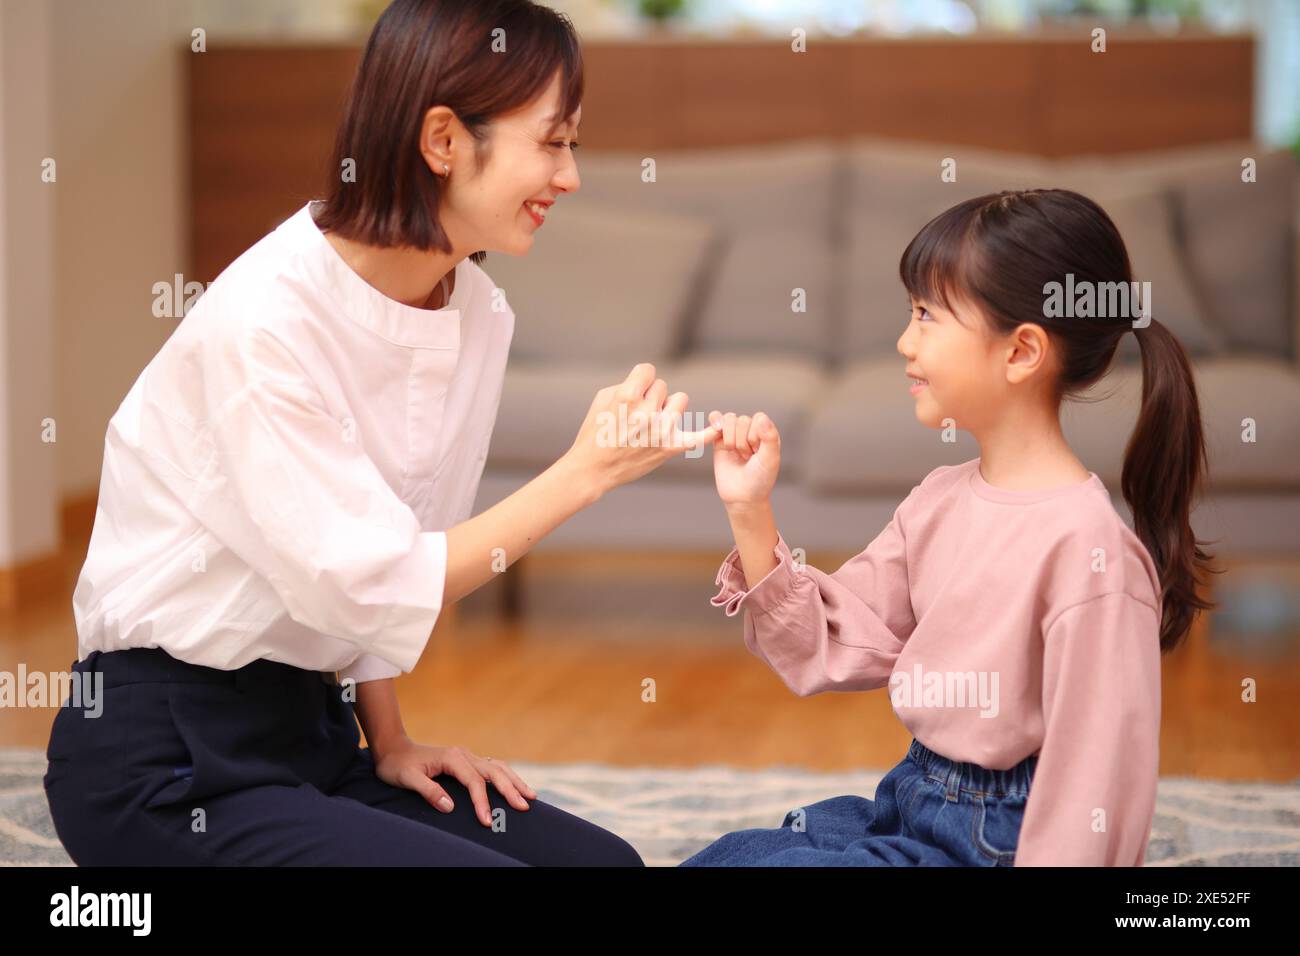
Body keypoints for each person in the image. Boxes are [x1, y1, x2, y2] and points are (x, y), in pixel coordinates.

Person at [44, 0, 717, 866]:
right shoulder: (266, 323)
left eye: (572, 146)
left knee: (603, 866)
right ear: (443, 140)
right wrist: (583, 473)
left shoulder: (475, 311)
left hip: (312, 738)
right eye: (552, 143)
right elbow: (369, 582)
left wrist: (389, 740)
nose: (570, 176)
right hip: (166, 763)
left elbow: (395, 539)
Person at [683, 188, 1220, 867]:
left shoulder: (1091, 551)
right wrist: (749, 510)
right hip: (911, 801)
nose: (906, 342)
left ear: (1022, 351)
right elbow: (827, 643)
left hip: (1001, 842)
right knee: (736, 857)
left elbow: (1097, 785)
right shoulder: (938, 499)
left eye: (927, 315)